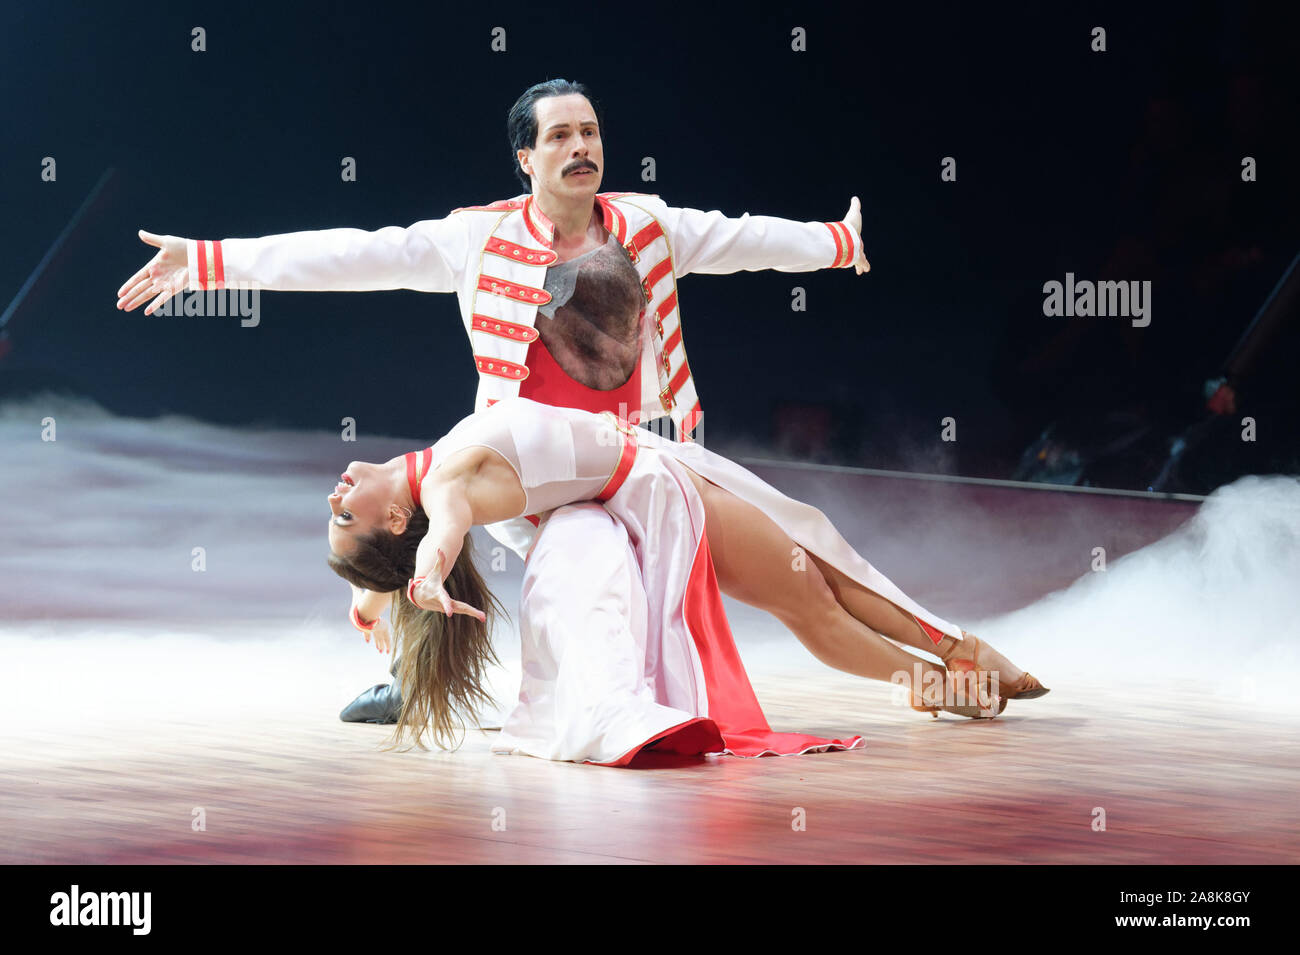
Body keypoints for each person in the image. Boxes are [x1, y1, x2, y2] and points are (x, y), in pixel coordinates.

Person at [114, 78, 874, 724]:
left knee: (732, 574)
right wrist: (214, 262)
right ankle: (427, 673)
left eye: (590, 132)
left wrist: (837, 243)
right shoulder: (476, 239)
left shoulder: (647, 224)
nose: (582, 147)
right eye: (561, 136)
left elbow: (743, 240)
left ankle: (628, 700)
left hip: (645, 459)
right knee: (427, 523)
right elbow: (355, 252)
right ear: (526, 158)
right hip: (534, 477)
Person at [324, 397, 1049, 766]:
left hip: (654, 468)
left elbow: (423, 536)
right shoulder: (448, 482)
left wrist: (372, 592)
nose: (334, 494)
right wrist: (424, 572)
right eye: (342, 516)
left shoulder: (444, 464)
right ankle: (958, 665)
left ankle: (954, 671)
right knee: (811, 594)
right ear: (392, 517)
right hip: (659, 496)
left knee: (814, 553)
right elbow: (442, 531)